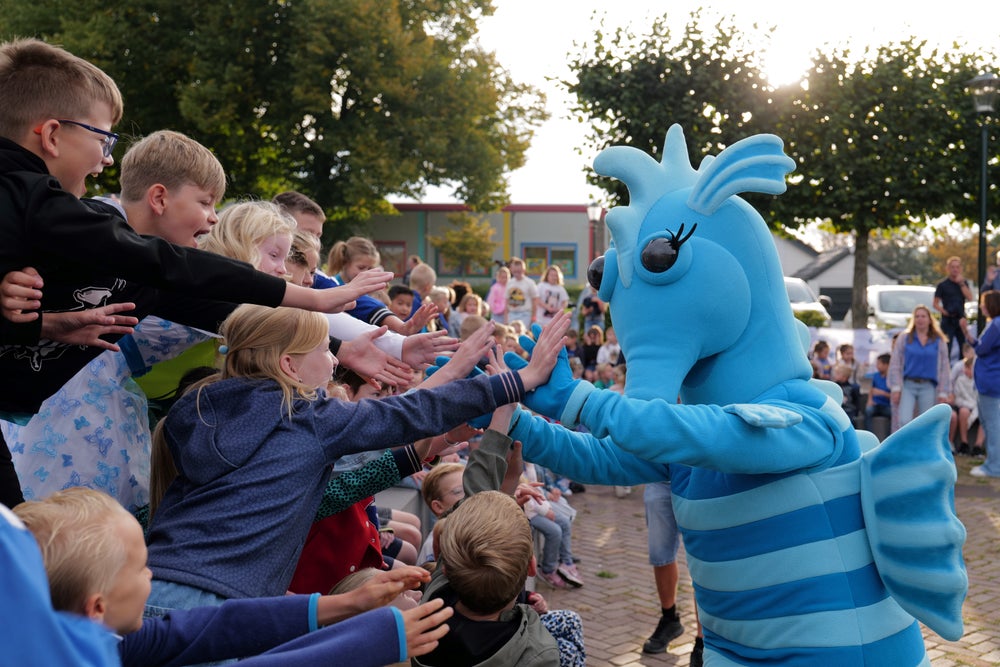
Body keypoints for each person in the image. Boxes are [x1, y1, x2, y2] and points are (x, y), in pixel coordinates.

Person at [143, 307, 568, 611]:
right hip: (211, 605)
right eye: (324, 350)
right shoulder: (308, 419)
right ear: (289, 365)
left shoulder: (196, 411)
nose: (335, 359)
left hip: (149, 585)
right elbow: (408, 412)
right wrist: (522, 379)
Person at [15, 486, 453, 666]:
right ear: (97, 608)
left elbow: (206, 628)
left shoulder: (92, 637)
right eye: (138, 568)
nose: (150, 573)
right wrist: (380, 635)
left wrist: (344, 604)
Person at [413, 388, 585, 667]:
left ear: (446, 562)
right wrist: (505, 417)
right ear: (531, 568)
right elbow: (472, 503)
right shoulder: (538, 653)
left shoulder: (435, 598)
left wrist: (506, 482)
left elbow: (471, 502)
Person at [326, 236, 436, 334]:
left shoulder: (371, 289)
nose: (366, 272)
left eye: (370, 268)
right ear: (345, 263)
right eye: (361, 267)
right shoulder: (332, 287)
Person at [888, 304, 952, 429]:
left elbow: (945, 367)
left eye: (923, 316)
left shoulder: (938, 340)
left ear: (929, 319)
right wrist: (896, 387)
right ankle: (905, 442)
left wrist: (943, 392)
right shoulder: (905, 338)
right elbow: (895, 362)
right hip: (908, 384)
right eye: (917, 316)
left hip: (928, 385)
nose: (920, 319)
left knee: (925, 422)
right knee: (904, 420)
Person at [970, 290, 1000, 478]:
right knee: (989, 423)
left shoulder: (996, 324)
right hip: (989, 381)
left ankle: (994, 467)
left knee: (992, 425)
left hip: (990, 382)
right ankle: (992, 462)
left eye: (983, 302)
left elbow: (981, 349)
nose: (981, 306)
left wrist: (968, 336)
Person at [934, 256, 973, 363]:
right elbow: (935, 303)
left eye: (957, 267)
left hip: (960, 319)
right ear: (948, 268)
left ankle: (963, 367)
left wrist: (961, 283)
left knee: (963, 346)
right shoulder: (942, 285)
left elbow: (970, 297)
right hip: (948, 320)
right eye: (952, 267)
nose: (955, 269)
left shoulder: (963, 283)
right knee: (947, 345)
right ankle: (945, 367)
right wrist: (944, 311)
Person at [950, 356, 984, 456]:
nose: (966, 370)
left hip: (978, 407)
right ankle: (964, 443)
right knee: (964, 412)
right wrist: (969, 405)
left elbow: (981, 399)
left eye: (969, 368)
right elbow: (958, 399)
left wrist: (975, 409)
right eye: (966, 368)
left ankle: (978, 446)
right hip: (964, 406)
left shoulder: (981, 381)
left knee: (985, 414)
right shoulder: (960, 380)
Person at [504, 257, 538, 328]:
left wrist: (534, 316)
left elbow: (535, 300)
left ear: (523, 270)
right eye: (515, 271)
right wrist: (506, 317)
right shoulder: (509, 283)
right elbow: (506, 301)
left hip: (525, 314)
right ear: (511, 270)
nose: (516, 273)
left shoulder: (530, 283)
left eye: (519, 271)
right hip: (512, 313)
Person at [864, 353, 893, 433]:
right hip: (875, 404)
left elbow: (895, 395)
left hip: (887, 405)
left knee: (893, 414)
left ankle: (890, 436)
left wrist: (883, 393)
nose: (877, 366)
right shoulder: (876, 376)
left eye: (879, 364)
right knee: (868, 411)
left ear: (886, 365)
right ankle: (869, 434)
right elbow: (871, 389)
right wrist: (869, 401)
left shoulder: (892, 378)